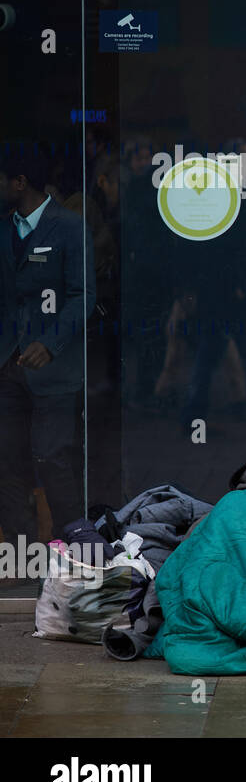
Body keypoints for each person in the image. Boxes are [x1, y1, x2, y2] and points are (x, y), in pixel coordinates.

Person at [0, 152, 94, 543]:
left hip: (54, 368)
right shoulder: (4, 229)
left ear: (19, 182)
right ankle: (20, 551)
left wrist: (50, 344)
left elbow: (83, 294)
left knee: (53, 458)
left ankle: (73, 550)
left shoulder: (69, 226)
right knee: (7, 461)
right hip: (8, 365)